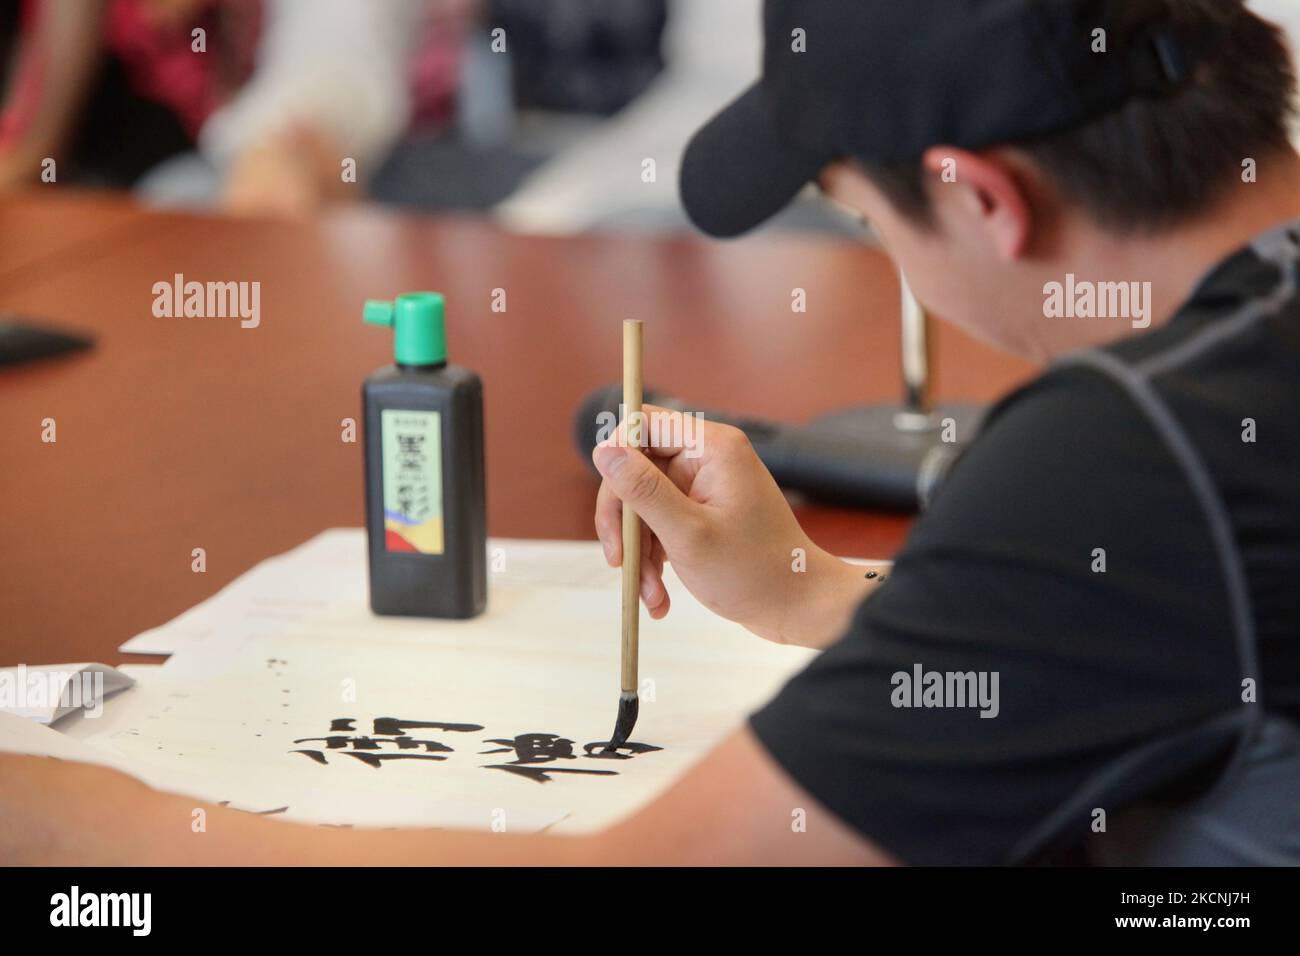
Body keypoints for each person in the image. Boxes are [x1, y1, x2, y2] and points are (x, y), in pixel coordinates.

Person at [3, 0, 1299, 866]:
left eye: (863, 224)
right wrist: (811, 593)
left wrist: (81, 821)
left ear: (976, 198)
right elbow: (1151, 623)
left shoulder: (1132, 455)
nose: (887, 257)